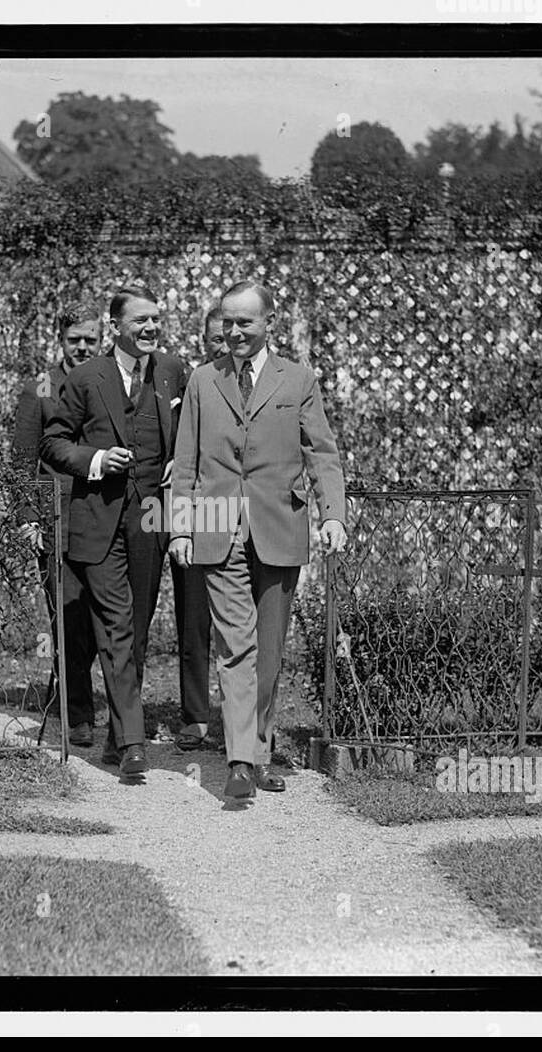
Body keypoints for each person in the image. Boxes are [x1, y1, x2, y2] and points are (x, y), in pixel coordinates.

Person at [169, 281, 347, 799]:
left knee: (267, 652)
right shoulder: (204, 381)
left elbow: (322, 454)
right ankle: (241, 762)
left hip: (280, 526)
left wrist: (332, 514)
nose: (235, 331)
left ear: (270, 322)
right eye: (227, 321)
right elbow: (187, 462)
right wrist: (181, 525)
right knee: (235, 646)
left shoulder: (299, 379)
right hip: (217, 525)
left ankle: (260, 751)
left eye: (245, 321)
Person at [40, 284, 186, 778]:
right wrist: (97, 459)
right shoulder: (86, 378)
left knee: (137, 630)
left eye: (155, 320)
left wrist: (177, 463)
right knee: (118, 622)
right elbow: (53, 443)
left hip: (150, 518)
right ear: (116, 326)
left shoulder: (171, 372)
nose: (150, 328)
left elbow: (188, 428)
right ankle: (133, 744)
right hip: (97, 521)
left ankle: (115, 738)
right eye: (139, 321)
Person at [11, 305, 103, 748]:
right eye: (74, 340)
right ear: (60, 340)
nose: (82, 347)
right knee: (67, 615)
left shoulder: (109, 381)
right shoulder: (41, 389)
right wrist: (28, 516)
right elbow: (23, 459)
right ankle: (79, 715)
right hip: (58, 519)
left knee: (104, 615)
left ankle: (84, 700)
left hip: (106, 516)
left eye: (90, 339)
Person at [169, 309, 224, 751]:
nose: (223, 345)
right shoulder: (192, 385)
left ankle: (247, 722)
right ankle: (195, 715)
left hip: (244, 513)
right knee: (193, 618)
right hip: (198, 511)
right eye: (214, 339)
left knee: (243, 624)